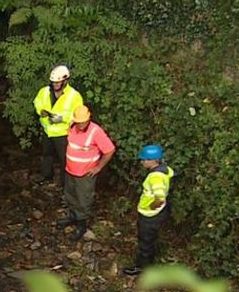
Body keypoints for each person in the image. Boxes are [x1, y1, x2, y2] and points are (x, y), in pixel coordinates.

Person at [58, 105, 115, 241]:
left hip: (85, 174)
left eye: (83, 122)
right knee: (70, 195)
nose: (81, 124)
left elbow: (109, 150)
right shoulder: (72, 126)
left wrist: (98, 167)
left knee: (83, 200)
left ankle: (81, 225)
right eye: (79, 122)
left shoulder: (96, 131)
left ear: (89, 118)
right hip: (70, 170)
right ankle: (73, 216)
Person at [124, 143, 174, 276]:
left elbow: (160, 197)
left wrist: (153, 205)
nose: (142, 162)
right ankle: (149, 261)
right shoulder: (164, 170)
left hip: (151, 214)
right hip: (158, 213)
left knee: (145, 241)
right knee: (150, 239)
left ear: (154, 160)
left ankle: (142, 267)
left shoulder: (155, 177)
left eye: (145, 159)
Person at [32, 64, 84, 185]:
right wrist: (41, 111)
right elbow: (37, 101)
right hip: (47, 131)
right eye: (53, 82)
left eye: (58, 82)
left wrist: (62, 118)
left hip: (63, 133)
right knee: (46, 155)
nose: (55, 84)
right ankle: (46, 176)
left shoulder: (74, 96)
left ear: (65, 81)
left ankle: (64, 184)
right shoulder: (44, 91)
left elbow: (79, 114)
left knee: (64, 160)